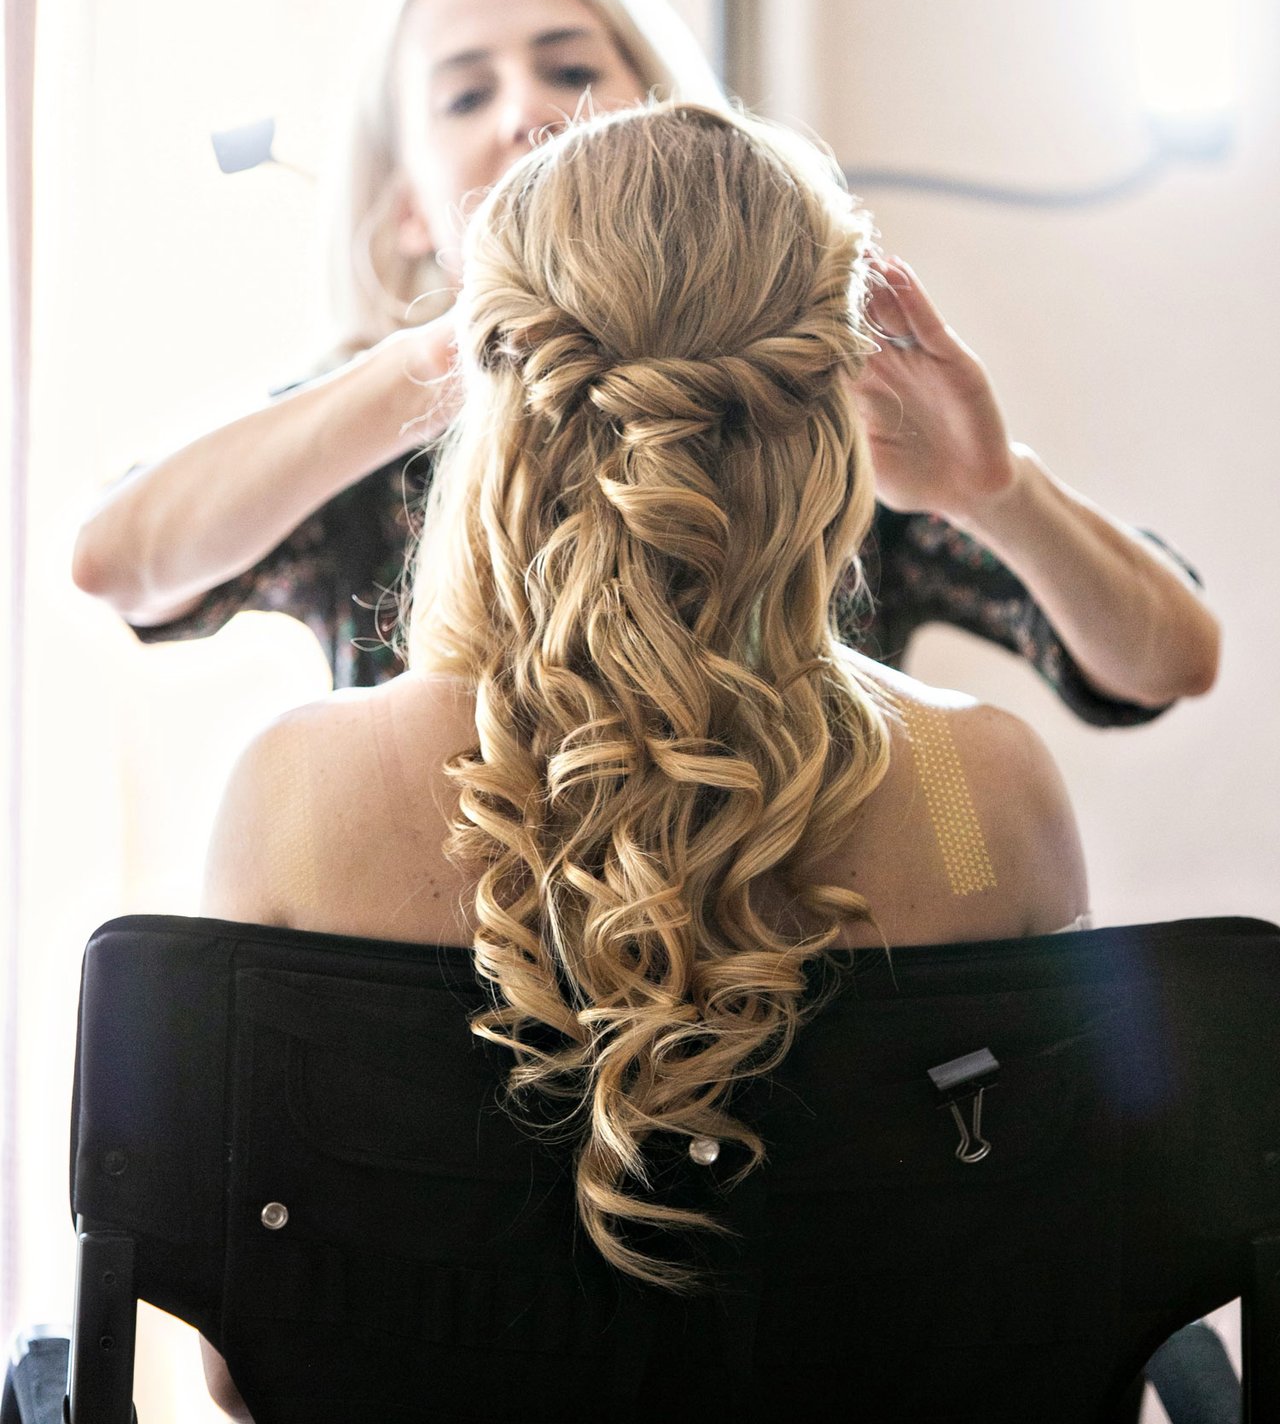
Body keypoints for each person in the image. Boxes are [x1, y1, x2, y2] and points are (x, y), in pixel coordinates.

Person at [198, 102, 1090, 1415]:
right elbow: (1057, 1310)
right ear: (841, 397)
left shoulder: (299, 792)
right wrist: (994, 481)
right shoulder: (977, 795)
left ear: (493, 396)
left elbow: (240, 1369)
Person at [71, 0, 1218, 714]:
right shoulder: (373, 430)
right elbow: (121, 565)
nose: (527, 111)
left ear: (662, 123)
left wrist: (993, 493)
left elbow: (1167, 660)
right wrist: (433, 364)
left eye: (571, 71)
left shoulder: (814, 401)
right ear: (407, 207)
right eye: (465, 92)